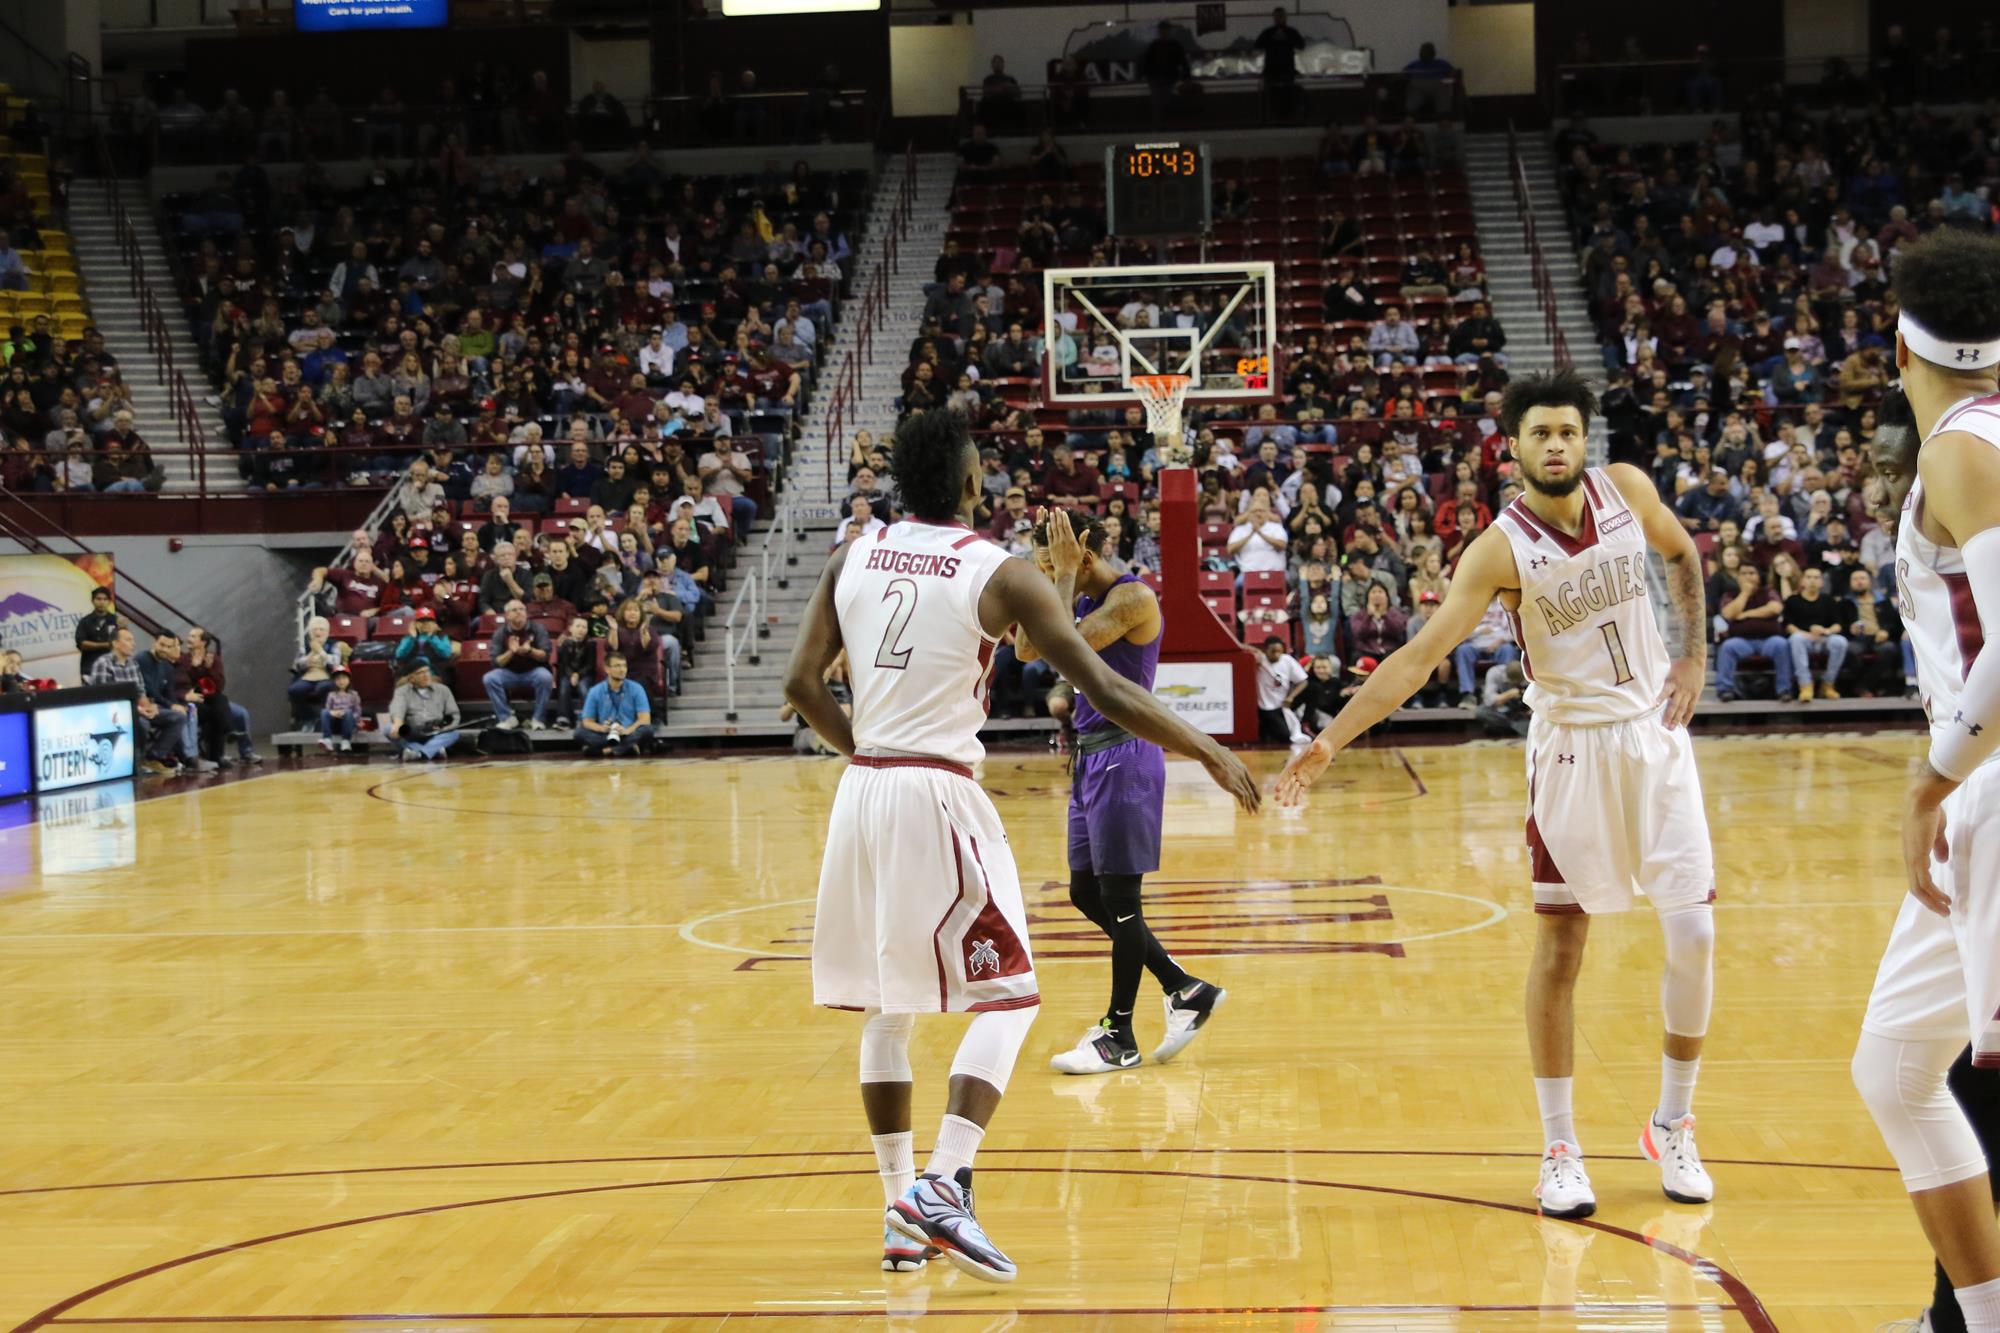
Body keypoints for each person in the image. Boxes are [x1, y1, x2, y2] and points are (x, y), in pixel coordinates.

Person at [781, 408, 1258, 1281]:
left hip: (863, 791)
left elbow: (801, 684)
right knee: (1012, 995)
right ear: (972, 485)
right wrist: (1211, 750)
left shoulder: (852, 554)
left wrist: (866, 754)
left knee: (890, 1009)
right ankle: (945, 1181)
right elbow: (1107, 686)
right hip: (937, 791)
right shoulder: (994, 572)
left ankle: (896, 1213)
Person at [1278, 369, 1718, 1222]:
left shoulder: (1628, 490)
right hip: (1572, 755)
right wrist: (1330, 741)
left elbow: (1683, 554)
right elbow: (1416, 659)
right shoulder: (1499, 549)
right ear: (1511, 448)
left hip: (1656, 740)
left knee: (1696, 933)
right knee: (1561, 949)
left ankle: (1673, 1121)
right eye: (1541, 432)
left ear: (1587, 440)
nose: (1557, 443)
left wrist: (1693, 652)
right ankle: (1559, 1147)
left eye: (1569, 431)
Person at [1854, 229, 2000, 1333]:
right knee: (1898, 1067)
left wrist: (1929, 782)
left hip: (1984, 783)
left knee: (1986, 1087)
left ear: (1893, 348)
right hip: (1972, 795)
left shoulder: (1960, 449)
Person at [1017, 511, 1226, 1075]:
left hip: (1126, 754)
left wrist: (1057, 580)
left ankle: (1120, 1033)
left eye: (1053, 564)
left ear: (1082, 558)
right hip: (1089, 756)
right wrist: (1045, 581)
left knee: (1122, 902)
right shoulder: (1076, 596)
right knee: (1086, 894)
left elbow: (1057, 646)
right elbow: (1023, 650)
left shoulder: (1132, 599)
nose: (1046, 575)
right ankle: (1184, 989)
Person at [1781, 566, 1852, 701]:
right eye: (1809, 577)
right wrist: (1806, 634)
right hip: (1803, 639)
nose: (1812, 581)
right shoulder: (1792, 600)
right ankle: (1805, 685)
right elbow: (1788, 626)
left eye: (1816, 577)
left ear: (1822, 582)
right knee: (1796, 639)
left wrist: (1825, 631)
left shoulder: (1828, 600)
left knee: (1840, 641)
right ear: (1802, 581)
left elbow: (1838, 625)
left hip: (1824, 638)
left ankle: (1828, 684)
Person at [483, 599, 553, 729]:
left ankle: (538, 719)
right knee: (490, 678)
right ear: (507, 615)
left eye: (521, 609)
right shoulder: (500, 633)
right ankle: (506, 718)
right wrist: (511, 651)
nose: (519, 612)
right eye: (514, 610)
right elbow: (496, 662)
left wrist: (530, 651)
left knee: (546, 677)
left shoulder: (538, 629)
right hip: (509, 673)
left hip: (534, 671)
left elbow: (545, 656)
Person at [575, 650, 654, 757]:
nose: (622, 670)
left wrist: (627, 730)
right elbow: (587, 721)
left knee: (648, 730)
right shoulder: (595, 691)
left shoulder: (637, 688)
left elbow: (645, 719)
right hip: (605, 734)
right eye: (617, 666)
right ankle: (625, 748)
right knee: (579, 733)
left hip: (627, 732)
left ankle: (606, 751)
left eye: (624, 666)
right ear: (607, 669)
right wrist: (601, 728)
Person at [386, 660, 461, 761]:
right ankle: (432, 751)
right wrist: (397, 723)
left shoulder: (443, 690)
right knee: (388, 729)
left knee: (454, 734)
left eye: (427, 671)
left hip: (435, 732)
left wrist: (444, 728)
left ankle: (419, 753)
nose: (425, 675)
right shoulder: (402, 692)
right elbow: (397, 708)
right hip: (412, 732)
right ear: (411, 678)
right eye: (420, 673)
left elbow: (454, 716)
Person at [1254, 634, 1309, 744]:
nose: (1276, 655)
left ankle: (1307, 722)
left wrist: (1291, 697)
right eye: (1273, 651)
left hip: (1285, 704)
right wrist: (1256, 651)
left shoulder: (1287, 660)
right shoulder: (1259, 661)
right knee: (1285, 736)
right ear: (1265, 650)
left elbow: (1303, 681)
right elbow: (1242, 646)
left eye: (1279, 651)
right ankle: (1267, 730)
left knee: (1314, 688)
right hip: (1267, 708)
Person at [74, 586, 118, 677]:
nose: (101, 602)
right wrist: (106, 645)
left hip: (113, 666)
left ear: (109, 602)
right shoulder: (85, 621)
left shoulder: (116, 620)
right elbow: (82, 644)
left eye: (105, 599)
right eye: (98, 599)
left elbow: (120, 642)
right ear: (92, 601)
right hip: (90, 667)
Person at [319, 668, 361, 752]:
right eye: (338, 679)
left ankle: (346, 740)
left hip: (348, 723)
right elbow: (328, 709)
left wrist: (346, 714)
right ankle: (327, 739)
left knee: (348, 712)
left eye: (344, 678)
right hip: (335, 722)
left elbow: (358, 712)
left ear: (349, 679)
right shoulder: (331, 695)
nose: (341, 681)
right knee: (324, 712)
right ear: (334, 681)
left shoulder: (354, 694)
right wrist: (333, 713)